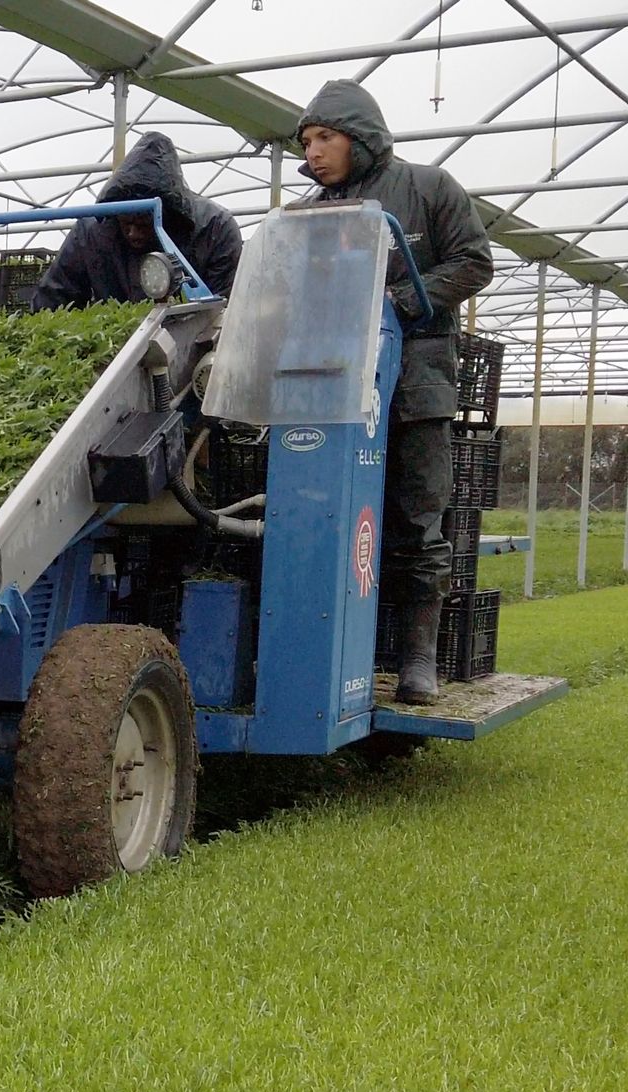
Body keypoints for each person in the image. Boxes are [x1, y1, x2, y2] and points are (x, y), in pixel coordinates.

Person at [294, 78, 493, 705]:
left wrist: (400, 301)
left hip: (417, 386)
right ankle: (331, 654)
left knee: (417, 521)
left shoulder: (430, 188)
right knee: (329, 519)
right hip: (332, 388)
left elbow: (474, 261)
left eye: (325, 137)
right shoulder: (310, 211)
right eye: (306, 141)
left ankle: (417, 661)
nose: (314, 152)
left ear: (360, 135)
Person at [31, 132, 242, 309]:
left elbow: (220, 312)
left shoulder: (214, 228)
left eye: (143, 225)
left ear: (170, 217)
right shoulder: (92, 230)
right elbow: (54, 298)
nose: (133, 233)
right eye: (126, 224)